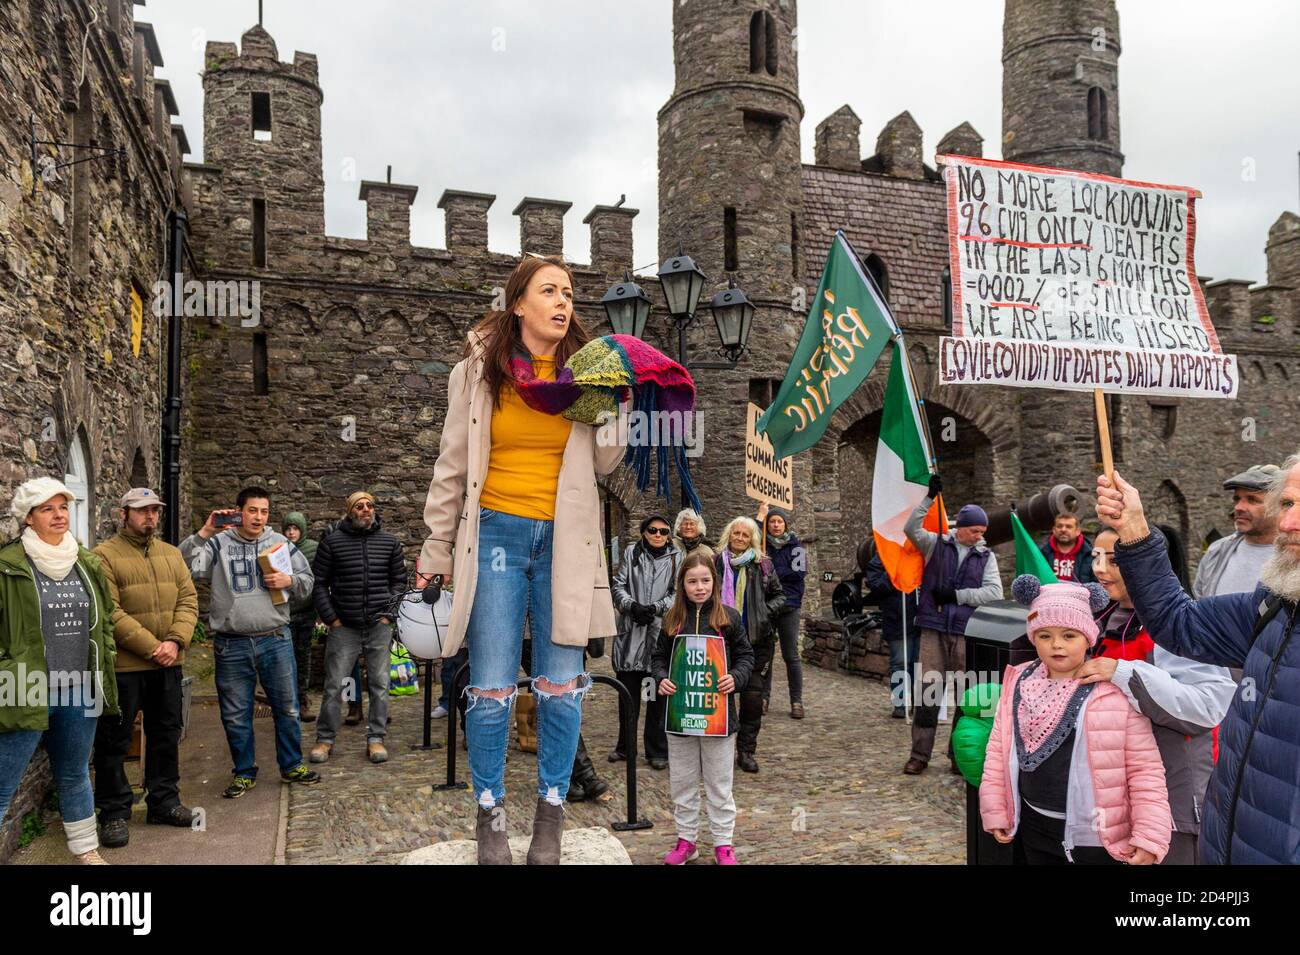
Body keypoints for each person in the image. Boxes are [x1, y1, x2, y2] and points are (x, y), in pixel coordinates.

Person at [417, 254, 626, 865]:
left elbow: (607, 463)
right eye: (550, 291)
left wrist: (615, 401)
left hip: (567, 540)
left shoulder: (584, 376)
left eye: (569, 293)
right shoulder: (477, 374)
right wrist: (437, 551)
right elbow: (451, 467)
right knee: (490, 687)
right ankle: (489, 814)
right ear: (518, 304)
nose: (564, 302)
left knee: (561, 687)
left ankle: (551, 815)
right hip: (496, 537)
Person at [1096, 462, 1300, 863]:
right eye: (1289, 503)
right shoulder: (1276, 605)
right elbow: (1181, 624)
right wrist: (1135, 529)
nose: (1289, 522)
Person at [980, 577, 1171, 865]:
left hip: (1093, 838)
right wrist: (996, 808)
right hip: (1032, 825)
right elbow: (998, 750)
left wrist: (1149, 835)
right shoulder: (1018, 681)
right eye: (1045, 636)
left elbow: (1144, 768)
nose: (1056, 645)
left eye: (1069, 635)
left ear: (1088, 637)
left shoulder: (1112, 692)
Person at [1082, 528, 1235, 864]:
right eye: (1095, 557)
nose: (1099, 569)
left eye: (1113, 560)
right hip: (1124, 794)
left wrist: (1122, 673)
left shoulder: (1178, 625)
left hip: (1176, 798)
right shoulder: (1103, 619)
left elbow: (1208, 705)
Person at [0, 478, 119, 864]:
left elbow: (105, 622)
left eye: (63, 508)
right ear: (29, 518)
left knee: (74, 773)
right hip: (25, 685)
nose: (58, 515)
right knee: (4, 781)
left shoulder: (85, 562)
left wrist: (105, 662)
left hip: (79, 685)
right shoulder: (9, 566)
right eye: (48, 509)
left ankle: (86, 851)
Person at [179, 486, 320, 798]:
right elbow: (186, 567)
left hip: (275, 639)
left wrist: (289, 581)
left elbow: (308, 583)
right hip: (232, 644)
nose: (258, 517)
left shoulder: (280, 543)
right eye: (253, 510)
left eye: (264, 511)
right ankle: (244, 771)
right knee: (235, 714)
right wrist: (204, 530)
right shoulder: (218, 543)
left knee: (288, 707)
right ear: (239, 511)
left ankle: (292, 764)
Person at [92, 488, 199, 849]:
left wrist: (175, 641)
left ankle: (164, 802)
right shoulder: (103, 557)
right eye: (141, 511)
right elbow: (109, 612)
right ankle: (113, 812)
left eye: (154, 510)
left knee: (166, 733)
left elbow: (188, 600)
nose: (149, 517)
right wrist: (154, 647)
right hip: (125, 666)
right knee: (114, 739)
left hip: (168, 662)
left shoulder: (172, 555)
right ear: (123, 514)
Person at [653, 551, 754, 865]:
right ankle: (686, 841)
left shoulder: (729, 619)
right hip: (681, 715)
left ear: (715, 580)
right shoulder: (672, 620)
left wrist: (734, 678)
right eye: (692, 581)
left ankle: (723, 844)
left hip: (717, 718)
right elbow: (658, 658)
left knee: (719, 785)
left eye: (705, 580)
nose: (699, 587)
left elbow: (747, 658)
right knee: (682, 782)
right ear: (682, 584)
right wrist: (662, 678)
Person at [902, 475, 1003, 775]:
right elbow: (911, 529)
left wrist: (957, 595)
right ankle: (920, 755)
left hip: (964, 631)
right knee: (928, 695)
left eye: (982, 532)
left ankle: (958, 754)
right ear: (961, 527)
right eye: (974, 530)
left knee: (965, 696)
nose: (979, 536)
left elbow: (994, 593)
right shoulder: (935, 545)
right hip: (934, 627)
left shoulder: (987, 557)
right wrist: (928, 499)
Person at [309, 491, 406, 765]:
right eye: (359, 506)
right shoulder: (333, 543)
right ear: (349, 510)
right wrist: (332, 619)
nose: (366, 509)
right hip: (344, 625)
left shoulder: (389, 543)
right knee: (334, 686)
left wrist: (388, 615)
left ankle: (376, 738)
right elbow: (319, 583)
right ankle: (325, 739)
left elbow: (399, 581)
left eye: (370, 505)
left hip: (378, 624)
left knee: (380, 683)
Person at [714, 515, 785, 773]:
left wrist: (764, 613)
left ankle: (746, 750)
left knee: (753, 698)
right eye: (736, 534)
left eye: (745, 535)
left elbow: (780, 596)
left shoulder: (762, 565)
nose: (740, 539)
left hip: (756, 640)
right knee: (722, 695)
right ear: (729, 535)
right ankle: (720, 749)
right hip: (723, 640)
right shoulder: (716, 563)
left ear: (752, 538)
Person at [610, 515, 680, 770]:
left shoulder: (676, 558)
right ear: (644, 532)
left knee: (655, 696)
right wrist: (632, 606)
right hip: (631, 634)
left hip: (657, 636)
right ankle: (625, 747)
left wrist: (655, 608)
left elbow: (677, 592)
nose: (658, 535)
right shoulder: (631, 553)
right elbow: (618, 584)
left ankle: (656, 749)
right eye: (653, 530)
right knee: (627, 696)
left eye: (664, 531)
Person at [1193, 464, 1281, 598]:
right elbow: (1197, 608)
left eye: (1252, 500)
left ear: (1279, 506)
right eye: (1237, 499)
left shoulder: (1293, 556)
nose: (1239, 507)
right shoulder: (1216, 552)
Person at [759, 503, 806, 719]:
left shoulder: (796, 547)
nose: (776, 525)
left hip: (789, 605)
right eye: (772, 522)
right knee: (765, 654)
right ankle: (763, 698)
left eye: (779, 521)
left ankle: (796, 701)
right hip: (767, 606)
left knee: (791, 655)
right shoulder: (761, 546)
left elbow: (798, 573)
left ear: (785, 524)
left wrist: (770, 569)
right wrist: (760, 517)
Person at [862, 545, 919, 719]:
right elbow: (876, 584)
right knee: (900, 664)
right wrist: (895, 572)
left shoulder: (923, 551)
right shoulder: (885, 555)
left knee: (921, 666)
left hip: (922, 619)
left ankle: (921, 705)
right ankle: (900, 704)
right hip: (897, 618)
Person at [281, 511, 318, 722]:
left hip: (306, 611)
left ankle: (302, 697)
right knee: (286, 656)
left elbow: (318, 579)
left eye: (295, 528)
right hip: (285, 612)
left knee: (303, 655)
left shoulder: (312, 549)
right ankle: (289, 699)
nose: (291, 532)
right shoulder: (278, 548)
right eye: (288, 528)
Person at [1039, 512, 1095, 584]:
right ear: (1054, 530)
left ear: (1078, 531)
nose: (1063, 530)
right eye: (1059, 526)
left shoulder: (1090, 555)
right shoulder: (1041, 553)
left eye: (1068, 527)